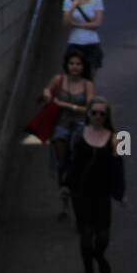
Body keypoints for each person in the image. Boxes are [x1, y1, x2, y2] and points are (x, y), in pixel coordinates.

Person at [66, 97, 125, 273]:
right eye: (94, 112)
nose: (98, 116)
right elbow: (71, 163)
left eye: (102, 113)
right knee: (86, 233)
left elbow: (118, 168)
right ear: (88, 114)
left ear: (107, 116)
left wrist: (119, 193)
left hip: (102, 194)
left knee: (103, 236)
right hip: (81, 193)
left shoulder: (116, 138)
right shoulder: (78, 134)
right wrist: (65, 185)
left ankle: (98, 255)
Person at [42, 50, 95, 216]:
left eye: (78, 64)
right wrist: (47, 95)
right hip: (61, 123)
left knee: (78, 161)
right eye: (72, 63)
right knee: (61, 163)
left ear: (83, 66)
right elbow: (47, 92)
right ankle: (65, 201)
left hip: (79, 125)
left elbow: (89, 108)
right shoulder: (59, 80)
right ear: (67, 64)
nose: (75, 67)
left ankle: (79, 195)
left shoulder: (88, 85)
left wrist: (66, 105)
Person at [62, 0, 104, 74]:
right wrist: (72, 7)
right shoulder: (68, 1)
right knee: (72, 75)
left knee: (90, 76)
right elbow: (65, 22)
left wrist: (77, 25)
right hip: (75, 42)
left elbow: (98, 23)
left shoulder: (97, 0)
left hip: (92, 42)